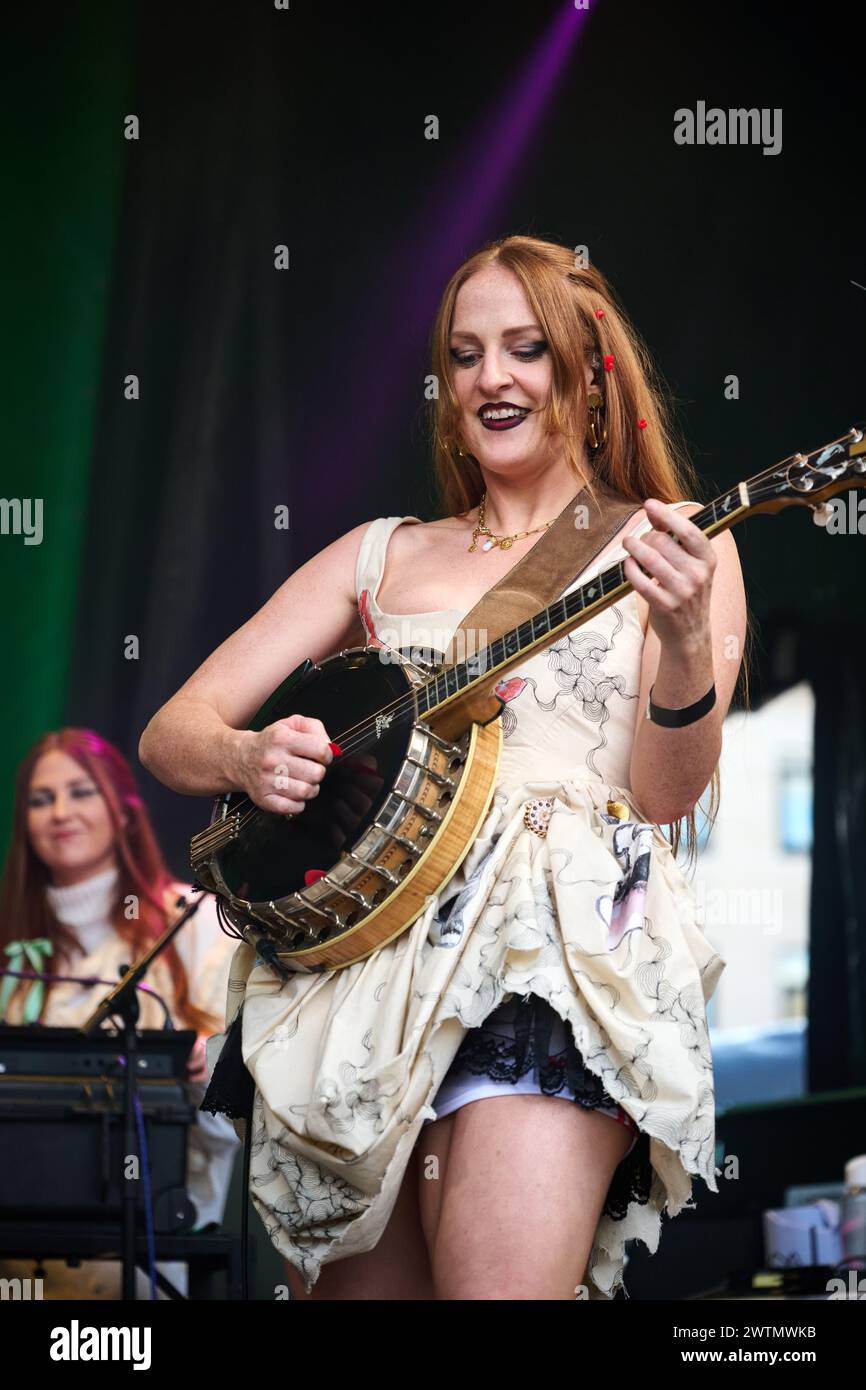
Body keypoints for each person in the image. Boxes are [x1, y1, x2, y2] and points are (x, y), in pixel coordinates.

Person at [138, 234, 747, 1301]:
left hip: (542, 957)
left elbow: (665, 794)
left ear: (585, 372)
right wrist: (246, 751)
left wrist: (687, 637)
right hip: (353, 968)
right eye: (464, 355)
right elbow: (171, 730)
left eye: (525, 349)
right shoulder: (377, 553)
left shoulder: (668, 541)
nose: (490, 378)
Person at [0, 728, 240, 1298]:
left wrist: (215, 1067)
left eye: (81, 792)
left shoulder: (199, 923)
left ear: (124, 811)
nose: (60, 813)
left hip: (147, 1258)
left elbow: (253, 1077)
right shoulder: (11, 953)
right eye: (41, 799)